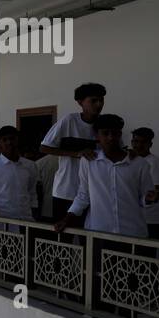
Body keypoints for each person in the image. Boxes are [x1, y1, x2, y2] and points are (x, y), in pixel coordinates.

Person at [55, 114, 154, 239]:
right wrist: (67, 219)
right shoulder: (89, 161)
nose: (111, 137)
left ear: (120, 134)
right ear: (97, 136)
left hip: (132, 233)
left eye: (115, 133)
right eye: (105, 133)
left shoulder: (139, 163)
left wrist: (149, 199)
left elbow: (144, 198)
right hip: (98, 232)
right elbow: (83, 195)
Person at [41, 82, 106, 222]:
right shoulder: (69, 120)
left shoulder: (105, 126)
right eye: (93, 100)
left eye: (101, 100)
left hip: (94, 193)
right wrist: (76, 153)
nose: (99, 104)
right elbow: (44, 147)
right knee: (65, 238)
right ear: (80, 102)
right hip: (66, 191)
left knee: (89, 237)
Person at [0, 125, 38, 222]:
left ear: (18, 140)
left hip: (26, 220)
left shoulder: (30, 166)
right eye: (5, 140)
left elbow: (32, 192)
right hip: (2, 222)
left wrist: (34, 213)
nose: (9, 142)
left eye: (12, 139)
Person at [130, 127, 159, 239]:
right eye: (136, 141)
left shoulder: (154, 162)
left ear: (150, 144)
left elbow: (157, 192)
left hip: (151, 219)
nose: (139, 145)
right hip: (139, 217)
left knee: (146, 253)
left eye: (143, 142)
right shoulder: (133, 161)